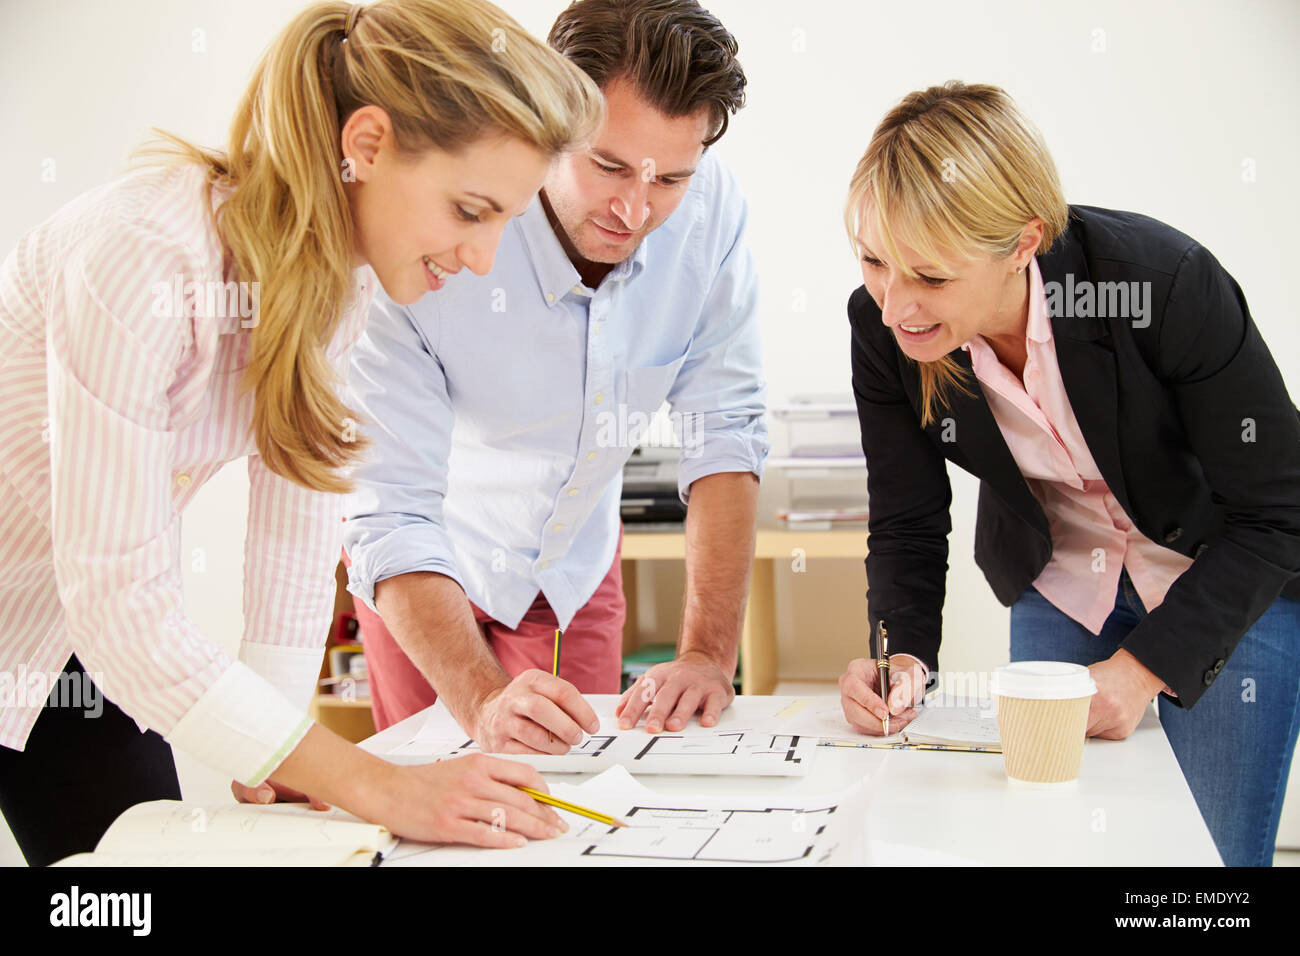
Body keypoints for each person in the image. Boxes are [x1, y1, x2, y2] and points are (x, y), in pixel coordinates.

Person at [0, 0, 605, 867]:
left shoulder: (336, 289)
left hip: (65, 647)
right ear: (366, 145)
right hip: (83, 621)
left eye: (507, 222)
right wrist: (375, 782)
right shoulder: (140, 258)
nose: (483, 258)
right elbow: (125, 608)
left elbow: (293, 542)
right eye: (472, 210)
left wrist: (277, 759)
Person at [837, 81, 1300, 866]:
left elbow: (1280, 510)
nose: (894, 305)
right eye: (875, 260)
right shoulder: (882, 330)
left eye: (931, 276)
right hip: (1064, 585)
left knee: (1211, 864)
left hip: (1220, 581)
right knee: (1055, 845)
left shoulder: (1162, 284)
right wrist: (903, 655)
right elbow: (909, 518)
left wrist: (1145, 668)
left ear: (1024, 242)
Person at [343, 0, 768, 751]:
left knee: (575, 800)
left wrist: (708, 654)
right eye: (607, 165)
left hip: (569, 570)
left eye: (669, 178)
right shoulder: (429, 230)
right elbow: (389, 508)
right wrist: (480, 702)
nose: (634, 209)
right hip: (419, 564)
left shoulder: (713, 210)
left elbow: (724, 429)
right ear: (550, 119)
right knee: (430, 797)